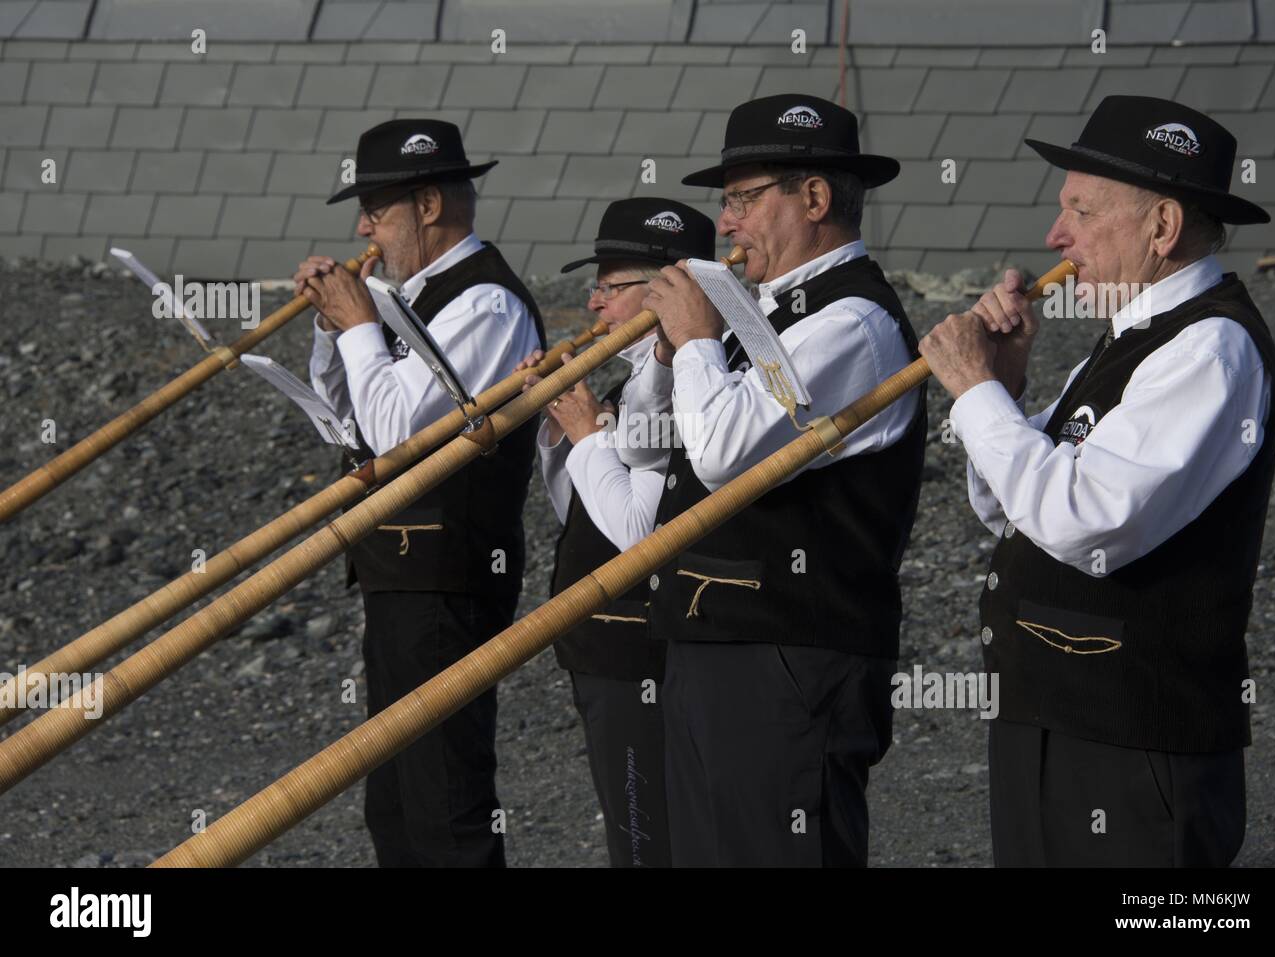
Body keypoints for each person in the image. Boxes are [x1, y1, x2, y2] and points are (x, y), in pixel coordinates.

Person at [918, 95, 1275, 866]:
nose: (1056, 237)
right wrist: (1007, 389)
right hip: (1060, 725)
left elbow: (1086, 520)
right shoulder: (1128, 339)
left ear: (1163, 227)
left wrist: (975, 393)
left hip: (1136, 747)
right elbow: (1014, 510)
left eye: (1081, 211)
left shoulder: (1209, 349)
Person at [622, 94, 926, 866]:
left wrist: (695, 340)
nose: (725, 224)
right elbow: (645, 443)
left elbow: (726, 455)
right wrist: (666, 354)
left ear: (815, 198)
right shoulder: (766, 311)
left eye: (743, 200)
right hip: (713, 641)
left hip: (791, 656)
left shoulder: (850, 323)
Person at [299, 118, 544, 867]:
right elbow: (350, 421)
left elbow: (402, 430)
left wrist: (359, 325)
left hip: (450, 577)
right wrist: (333, 330)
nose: (363, 228)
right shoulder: (407, 295)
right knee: (395, 804)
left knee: (446, 803)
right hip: (398, 572)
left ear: (429, 206)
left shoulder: (484, 304)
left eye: (376, 208)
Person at [518, 197, 716, 867]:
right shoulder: (632, 378)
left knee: (645, 837)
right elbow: (582, 513)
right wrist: (559, 435)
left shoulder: (679, 386)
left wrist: (584, 434)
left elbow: (635, 536)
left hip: (638, 652)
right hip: (601, 645)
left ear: (666, 289)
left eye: (610, 285)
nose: (595, 304)